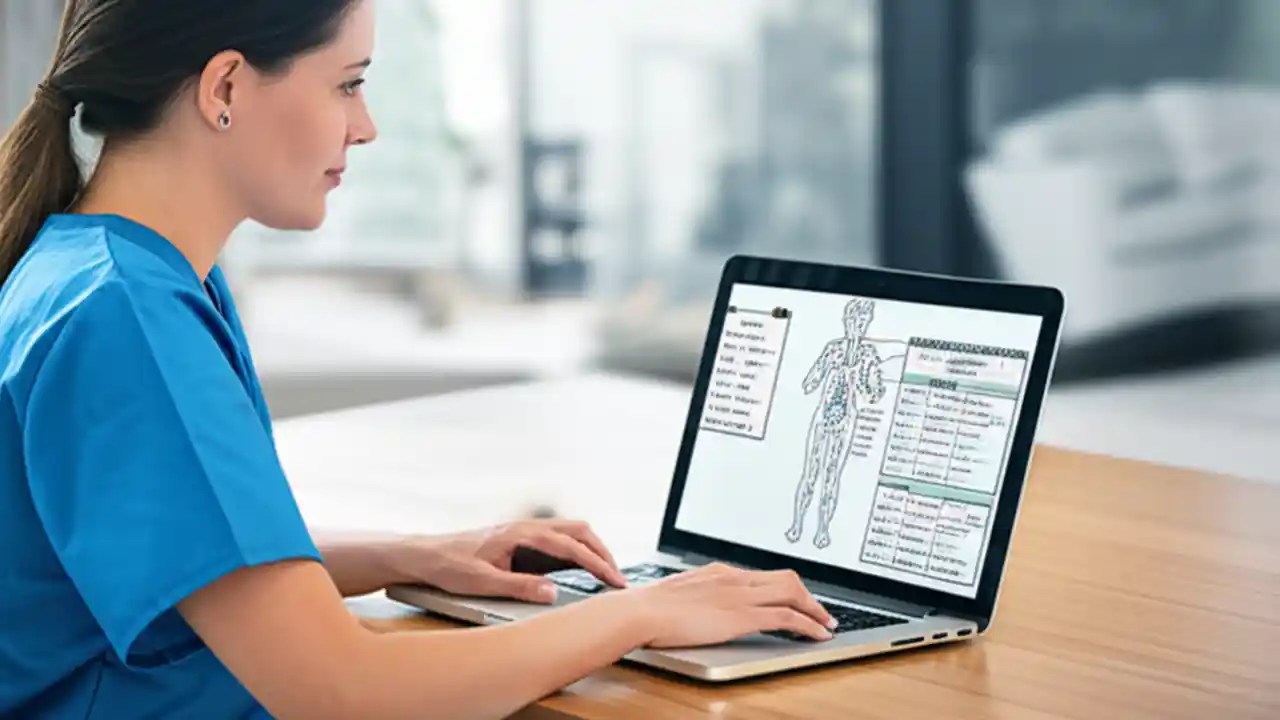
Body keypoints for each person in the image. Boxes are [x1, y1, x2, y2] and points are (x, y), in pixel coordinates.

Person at [0, 1, 835, 717]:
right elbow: (347, 692)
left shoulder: (96, 273)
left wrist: (413, 555)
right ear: (225, 88)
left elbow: (193, 556)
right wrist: (646, 613)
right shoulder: (129, 320)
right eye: (348, 83)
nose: (366, 126)